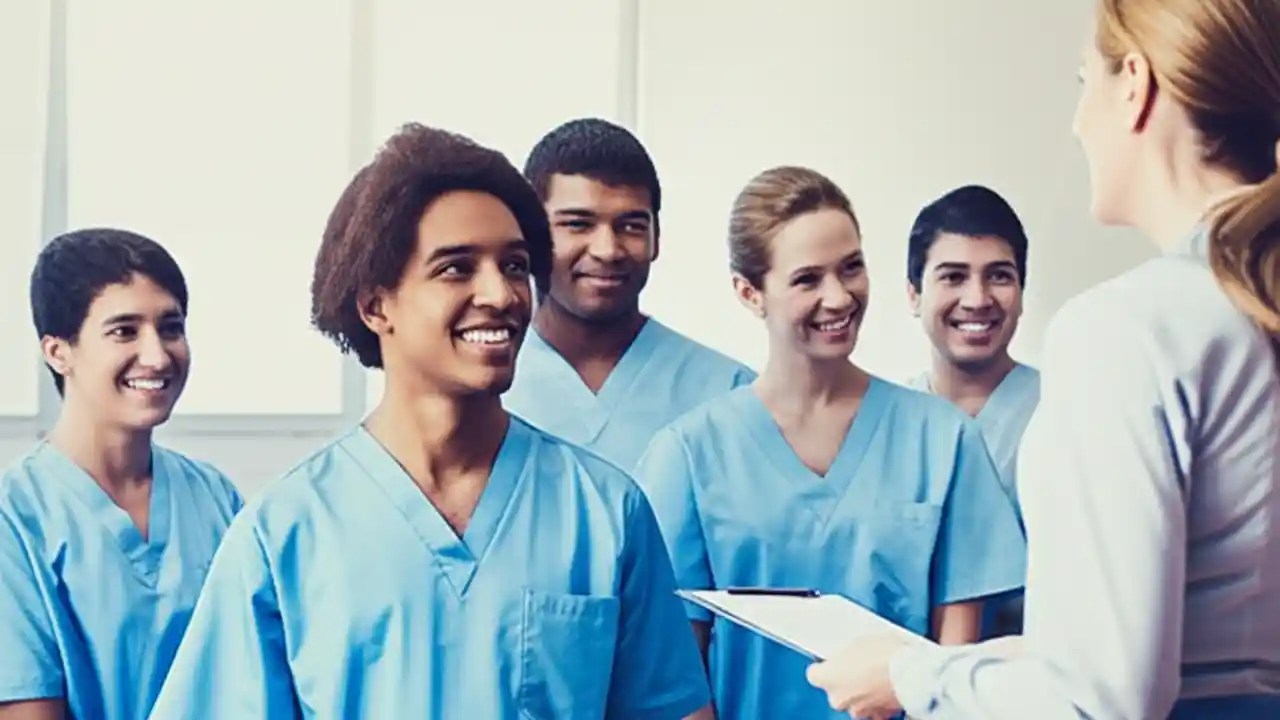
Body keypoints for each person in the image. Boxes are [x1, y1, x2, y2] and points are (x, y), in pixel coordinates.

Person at [806, 0, 1280, 717]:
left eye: (1084, 82)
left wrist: (911, 678)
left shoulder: (1126, 332)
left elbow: (1100, 699)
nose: (1077, 123)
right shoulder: (1240, 312)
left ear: (1134, 84)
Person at [149, 124, 715, 719]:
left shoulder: (605, 511)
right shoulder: (286, 532)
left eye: (515, 266)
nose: (501, 294)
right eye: (456, 268)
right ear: (376, 305)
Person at [634, 166, 1027, 719]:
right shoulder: (690, 455)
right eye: (807, 279)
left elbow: (952, 668)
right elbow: (679, 681)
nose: (839, 297)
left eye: (851, 268)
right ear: (749, 292)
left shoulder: (944, 440)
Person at [0, 229, 243, 720]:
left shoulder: (216, 498)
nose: (157, 355)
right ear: (58, 351)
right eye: (124, 331)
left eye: (170, 328)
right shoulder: (16, 520)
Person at [503, 117, 755, 471]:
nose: (607, 250)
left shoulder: (729, 393)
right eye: (577, 224)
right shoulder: (482, 384)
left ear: (656, 237)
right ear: (529, 235)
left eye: (631, 226)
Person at [903, 184, 1039, 637]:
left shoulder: (1066, 412)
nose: (977, 299)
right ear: (913, 294)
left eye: (999, 276)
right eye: (953, 276)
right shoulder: (887, 425)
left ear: (1022, 291)